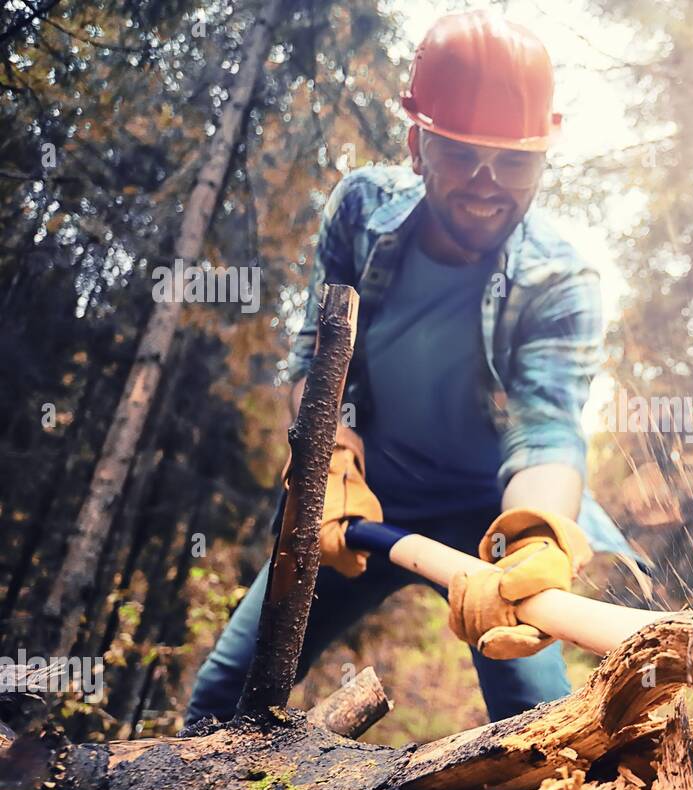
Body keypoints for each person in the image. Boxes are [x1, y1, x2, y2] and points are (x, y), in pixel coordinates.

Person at [186, 9, 638, 726]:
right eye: (462, 153)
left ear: (544, 159)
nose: (489, 183)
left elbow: (547, 428)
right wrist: (327, 462)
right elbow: (314, 357)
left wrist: (536, 534)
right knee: (222, 697)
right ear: (416, 143)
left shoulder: (562, 280)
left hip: (491, 519)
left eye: (515, 160)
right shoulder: (361, 212)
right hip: (363, 500)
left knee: (543, 731)